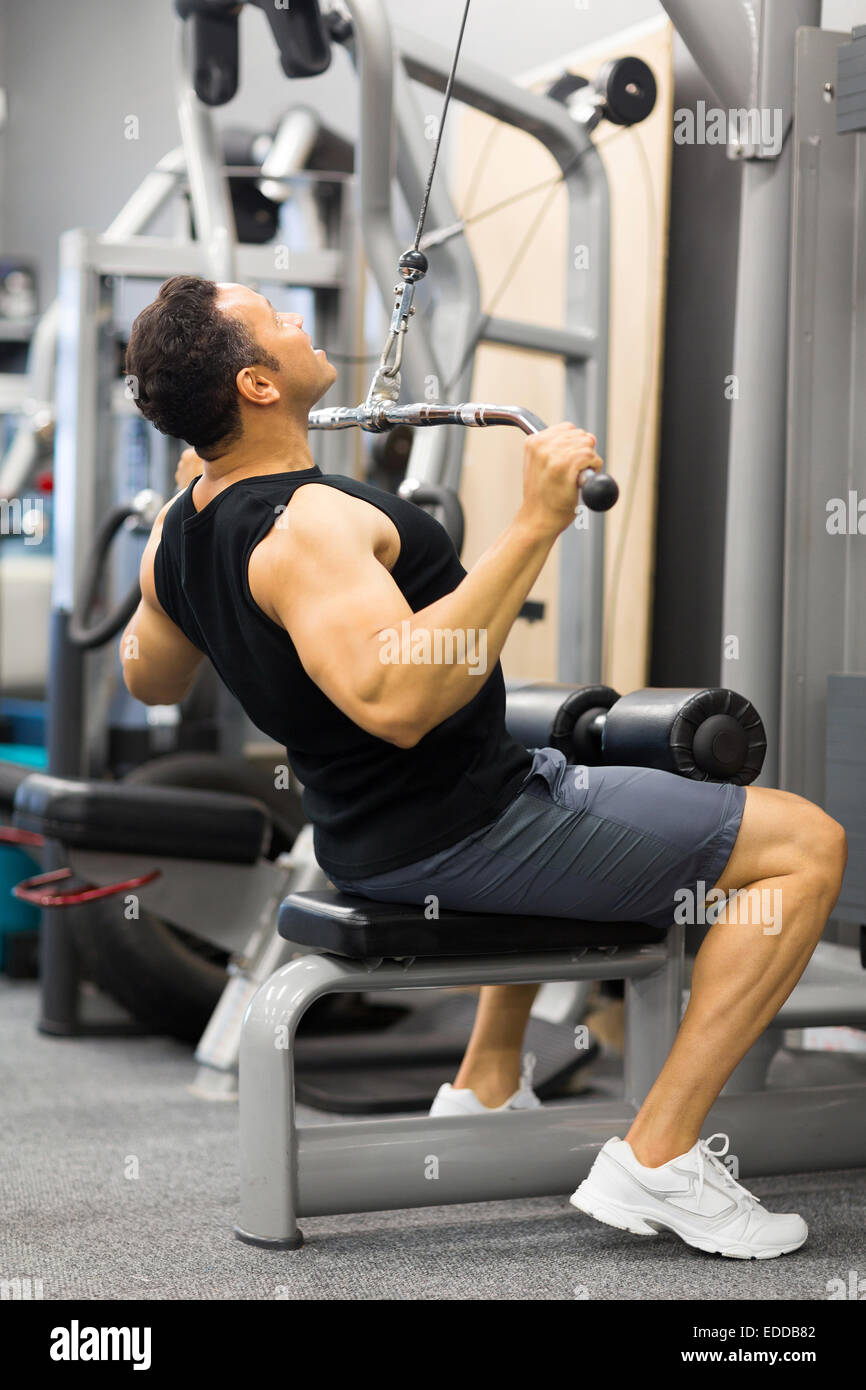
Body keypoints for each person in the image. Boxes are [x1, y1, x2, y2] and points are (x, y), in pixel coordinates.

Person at [121, 275, 847, 1259]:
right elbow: (401, 701)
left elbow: (149, 676)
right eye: (275, 319)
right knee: (804, 845)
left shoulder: (181, 528)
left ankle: (487, 1081)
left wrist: (186, 567)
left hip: (368, 835)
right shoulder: (307, 525)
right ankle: (662, 1155)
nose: (299, 321)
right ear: (257, 384)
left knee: (557, 760)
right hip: (465, 831)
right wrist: (536, 519)